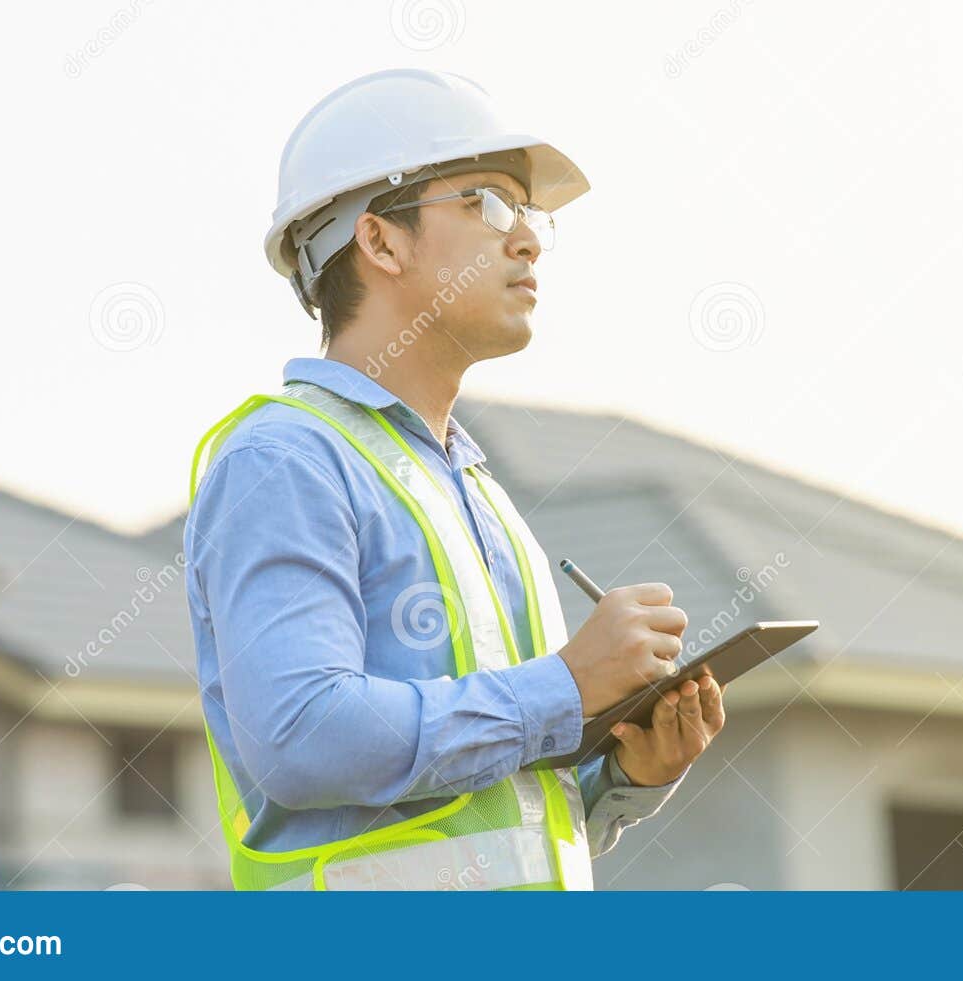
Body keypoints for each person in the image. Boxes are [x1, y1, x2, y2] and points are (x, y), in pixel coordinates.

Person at [184, 69, 724, 891]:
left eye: (531, 213)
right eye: (486, 203)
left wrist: (622, 778)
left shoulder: (474, 488)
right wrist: (567, 685)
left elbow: (486, 820)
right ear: (380, 242)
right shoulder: (286, 460)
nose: (530, 239)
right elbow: (300, 735)